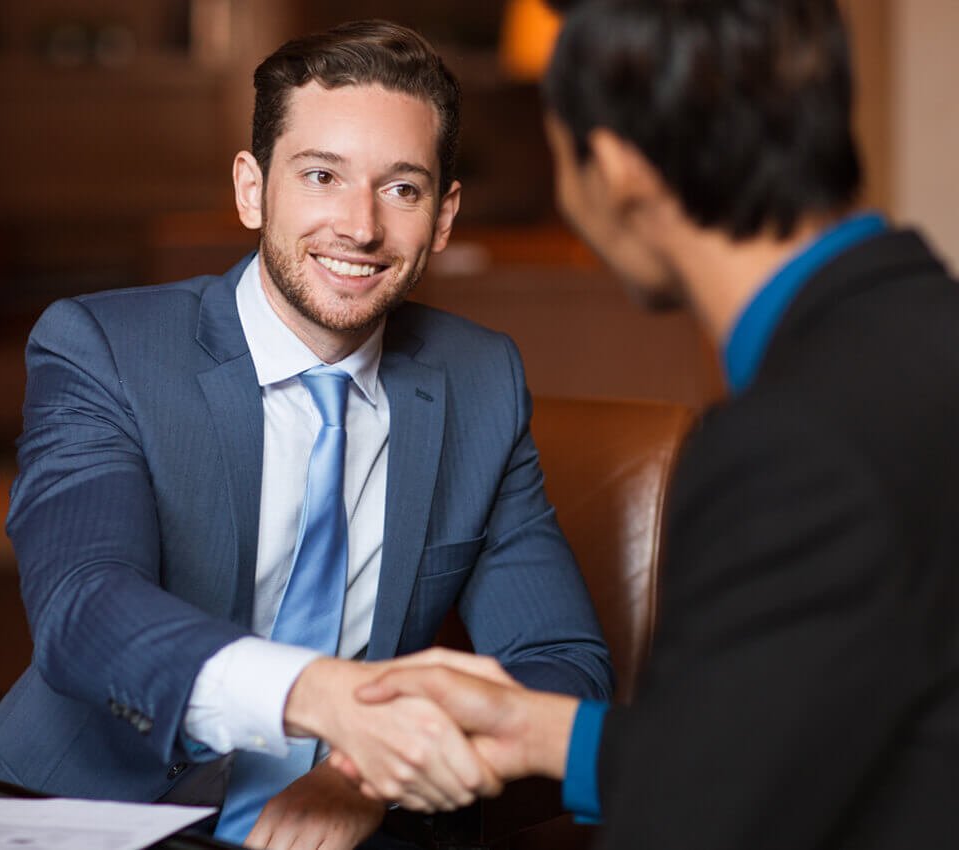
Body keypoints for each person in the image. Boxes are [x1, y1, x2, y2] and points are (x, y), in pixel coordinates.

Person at [0, 20, 612, 850]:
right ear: (252, 189)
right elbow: (84, 607)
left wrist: (365, 774)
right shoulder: (105, 348)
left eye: (401, 188)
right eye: (321, 176)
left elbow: (561, 663)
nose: (360, 225)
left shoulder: (482, 380)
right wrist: (319, 694)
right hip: (81, 817)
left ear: (443, 216)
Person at [344, 1, 959, 848]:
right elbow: (793, 738)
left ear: (618, 167)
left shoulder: (792, 447)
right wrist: (548, 734)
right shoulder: (922, 333)